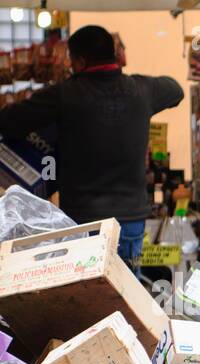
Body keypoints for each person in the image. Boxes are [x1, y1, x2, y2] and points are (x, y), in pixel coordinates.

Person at [0, 25, 181, 271]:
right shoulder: (142, 90)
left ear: (81, 60)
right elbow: (176, 90)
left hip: (83, 220)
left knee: (85, 294)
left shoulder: (64, 95)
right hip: (130, 219)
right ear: (115, 56)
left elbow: (9, 122)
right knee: (126, 292)